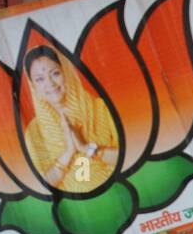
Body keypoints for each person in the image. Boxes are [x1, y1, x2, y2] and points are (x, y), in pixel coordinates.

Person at [21, 46, 120, 194]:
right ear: (33, 86)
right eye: (39, 79)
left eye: (55, 74)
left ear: (66, 72)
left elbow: (128, 157)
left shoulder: (101, 109)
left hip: (119, 189)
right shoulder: (35, 131)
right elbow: (44, 184)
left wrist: (87, 148)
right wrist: (68, 152)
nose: (50, 83)